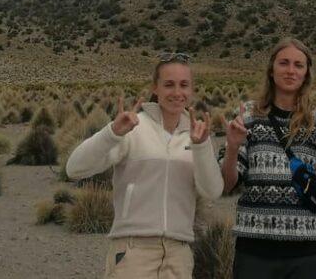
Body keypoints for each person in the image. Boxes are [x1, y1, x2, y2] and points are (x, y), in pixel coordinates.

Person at [66, 52, 223, 279]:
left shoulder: (197, 135)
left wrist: (200, 147)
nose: (177, 93)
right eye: (169, 84)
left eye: (184, 85)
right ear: (155, 88)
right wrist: (111, 134)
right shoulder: (133, 129)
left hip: (179, 254)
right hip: (132, 251)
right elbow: (75, 168)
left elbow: (213, 190)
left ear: (191, 90)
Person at [220, 37, 316, 279]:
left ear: (306, 74)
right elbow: (227, 184)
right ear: (271, 70)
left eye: (298, 65)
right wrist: (231, 148)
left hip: (304, 254)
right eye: (284, 63)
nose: (290, 70)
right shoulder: (247, 116)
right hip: (253, 252)